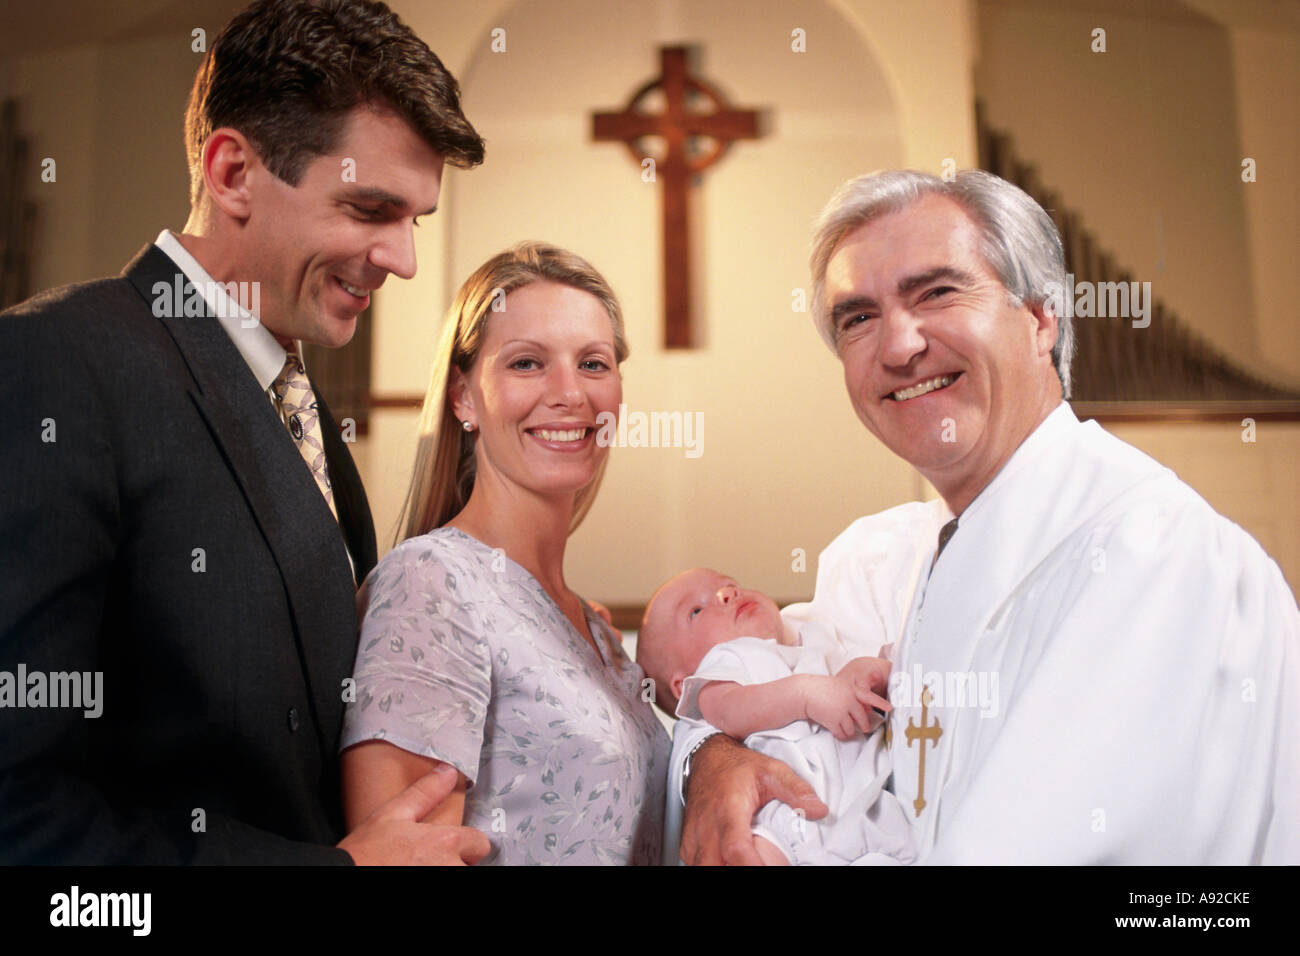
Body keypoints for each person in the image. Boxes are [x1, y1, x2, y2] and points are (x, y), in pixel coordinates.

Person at [671, 168, 1300, 865]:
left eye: (937, 291)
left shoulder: (1153, 553)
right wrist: (715, 757)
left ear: (1041, 318)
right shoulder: (894, 556)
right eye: (858, 318)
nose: (898, 346)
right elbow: (767, 677)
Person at [0, 0, 492, 864]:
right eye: (370, 209)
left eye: (414, 220)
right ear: (231, 172)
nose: (404, 260)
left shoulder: (301, 410)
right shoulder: (54, 365)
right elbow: (18, 811)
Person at [340, 242, 669, 865]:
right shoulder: (431, 584)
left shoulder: (598, 632)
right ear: (464, 396)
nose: (570, 394)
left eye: (594, 364)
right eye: (526, 363)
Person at [638, 567, 915, 865]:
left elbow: (849, 686)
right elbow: (731, 711)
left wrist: (861, 672)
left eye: (731, 584)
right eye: (695, 610)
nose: (727, 594)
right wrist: (805, 695)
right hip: (778, 820)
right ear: (683, 685)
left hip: (864, 811)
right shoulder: (723, 667)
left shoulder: (815, 638)